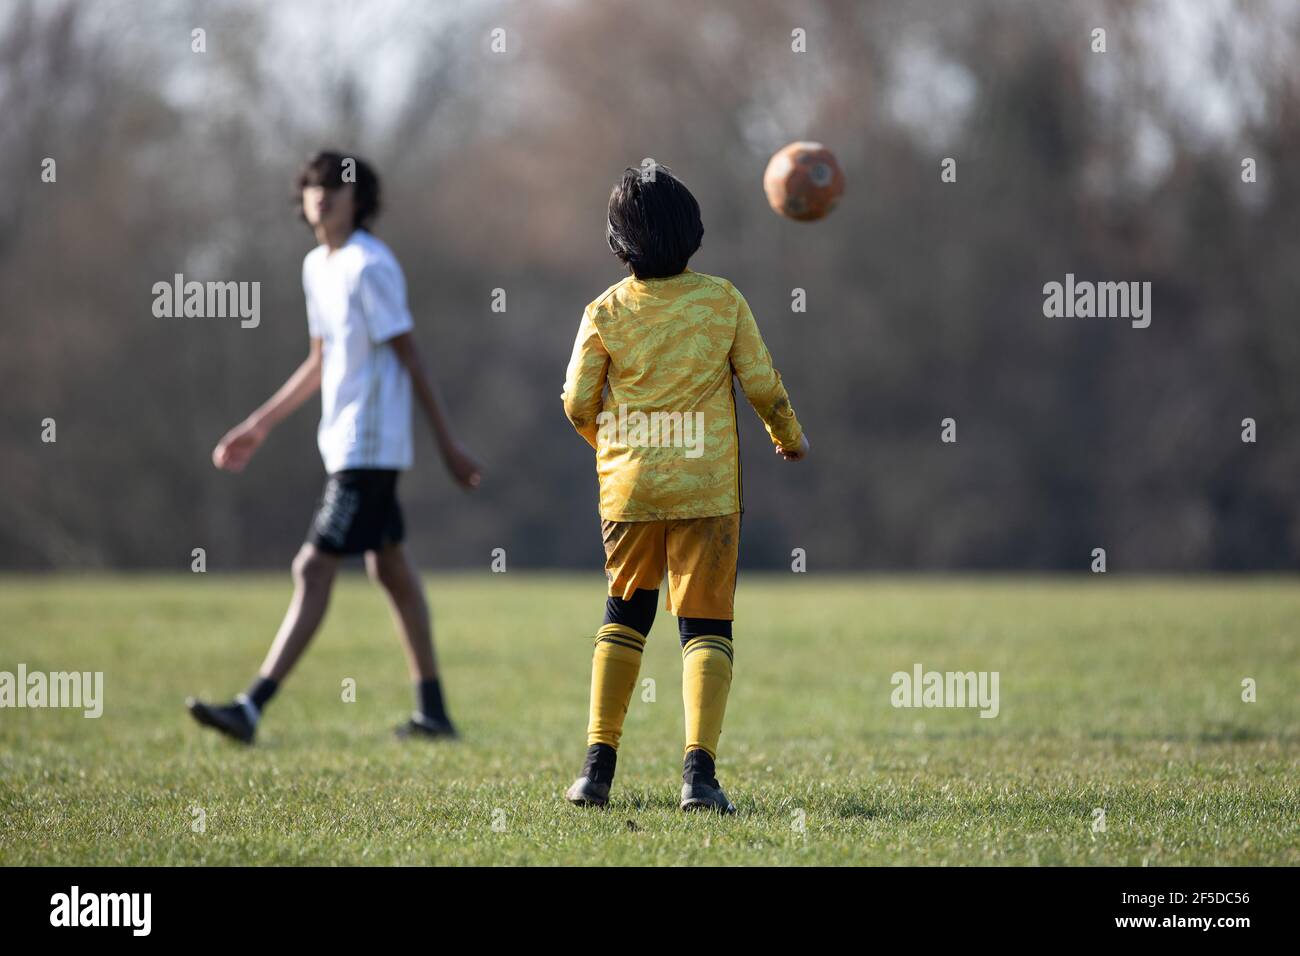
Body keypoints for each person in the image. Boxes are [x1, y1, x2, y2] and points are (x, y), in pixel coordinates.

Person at [186, 150, 481, 745]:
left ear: (359, 201)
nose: (323, 195)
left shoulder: (371, 266)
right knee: (389, 567)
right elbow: (320, 359)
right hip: (343, 441)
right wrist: (260, 423)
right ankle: (435, 713)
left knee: (312, 566)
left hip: (368, 445)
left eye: (337, 187)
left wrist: (447, 443)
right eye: (314, 186)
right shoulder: (317, 267)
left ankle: (252, 705)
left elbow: (410, 355)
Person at [561, 164, 809, 812]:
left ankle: (596, 771)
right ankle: (699, 778)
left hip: (630, 492)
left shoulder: (605, 311)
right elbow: (760, 384)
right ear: (696, 233)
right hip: (706, 489)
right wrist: (788, 435)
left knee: (625, 618)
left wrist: (616, 452)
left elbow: (576, 402)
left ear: (618, 246)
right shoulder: (723, 300)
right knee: (705, 627)